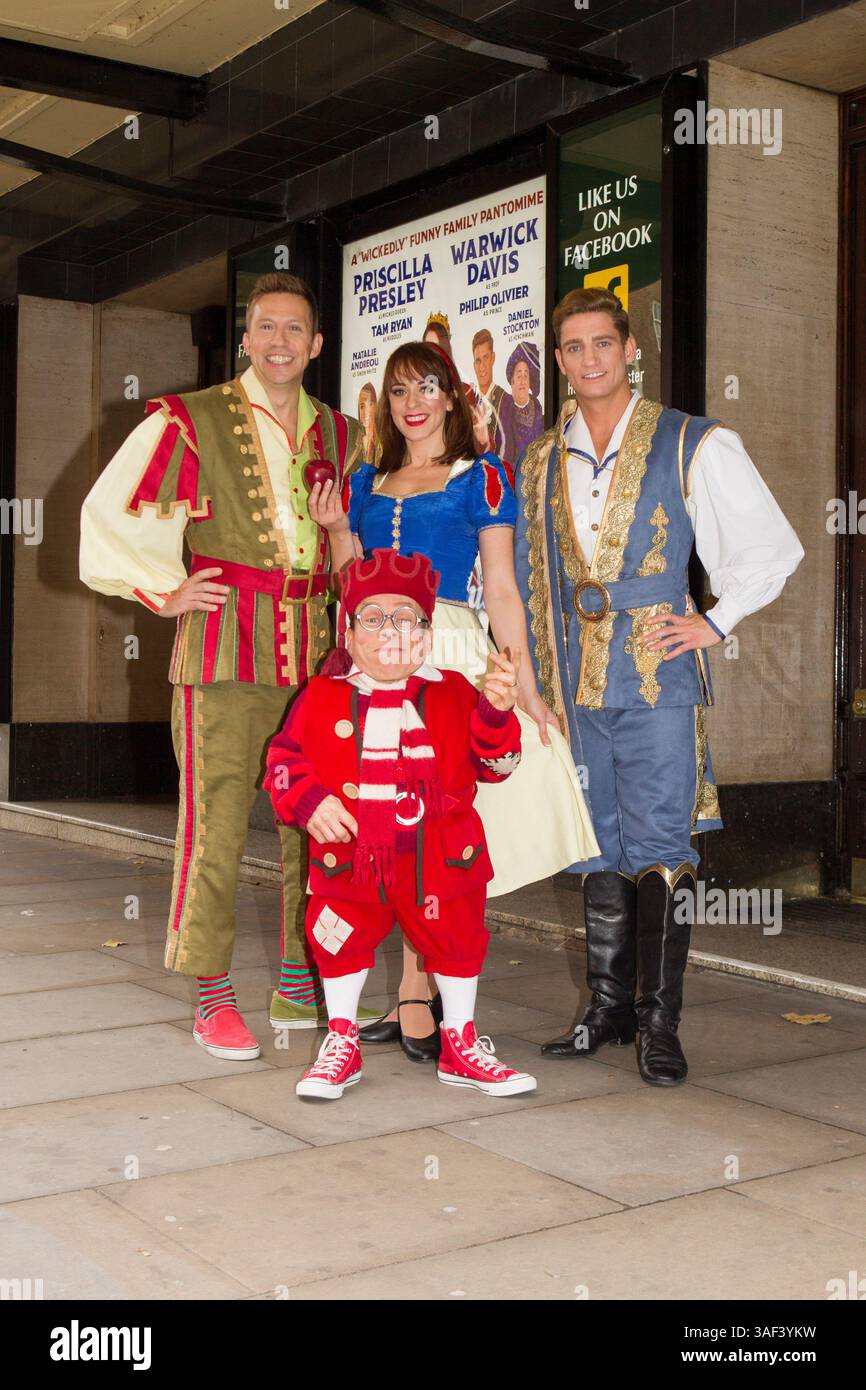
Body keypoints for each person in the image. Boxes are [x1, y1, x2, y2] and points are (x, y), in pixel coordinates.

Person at [79, 271, 380, 1062]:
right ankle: (211, 990)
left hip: (318, 655)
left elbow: (355, 545)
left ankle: (295, 972)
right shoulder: (189, 419)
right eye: (265, 328)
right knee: (213, 824)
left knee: (312, 825)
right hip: (221, 648)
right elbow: (107, 513)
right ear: (246, 338)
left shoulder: (344, 433)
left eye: (295, 330)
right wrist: (163, 591)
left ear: (316, 345)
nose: (279, 342)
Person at [514, 287, 804, 1085]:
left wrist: (716, 621)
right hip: (574, 683)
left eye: (602, 343)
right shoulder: (538, 457)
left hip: (657, 675)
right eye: (572, 348)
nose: (588, 359)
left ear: (630, 348)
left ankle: (658, 1022)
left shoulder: (690, 442)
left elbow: (771, 548)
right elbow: (524, 576)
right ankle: (606, 1008)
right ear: (561, 360)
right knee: (596, 844)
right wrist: (531, 682)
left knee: (663, 850)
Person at [306, 340, 599, 1058]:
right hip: (377, 658)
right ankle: (417, 992)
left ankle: (416, 989)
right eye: (399, 391)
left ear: (452, 397)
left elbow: (501, 588)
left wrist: (526, 690)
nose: (412, 404)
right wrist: (340, 532)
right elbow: (354, 589)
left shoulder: (482, 477)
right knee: (386, 822)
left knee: (436, 825)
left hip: (451, 655)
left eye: (426, 388)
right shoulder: (364, 482)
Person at [264, 547, 537, 1100]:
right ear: (351, 632)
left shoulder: (457, 692)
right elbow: (281, 762)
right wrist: (312, 802)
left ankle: (461, 1042)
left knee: (457, 939)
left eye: (405, 617)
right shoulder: (322, 696)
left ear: (427, 632)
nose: (390, 630)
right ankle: (341, 1040)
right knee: (338, 938)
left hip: (441, 858)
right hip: (353, 856)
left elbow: (496, 767)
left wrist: (497, 714)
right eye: (374, 617)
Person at [498, 340, 544, 468]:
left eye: (526, 375)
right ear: (511, 380)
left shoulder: (540, 414)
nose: (523, 381)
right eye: (519, 376)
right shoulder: (502, 415)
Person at [470, 328, 506, 457]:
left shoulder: (506, 401)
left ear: (493, 358)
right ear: (474, 365)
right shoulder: (470, 408)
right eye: (478, 360)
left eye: (486, 358)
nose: (482, 366)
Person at [357, 381, 377, 463]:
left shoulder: (384, 441)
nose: (366, 411)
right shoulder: (355, 440)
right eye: (362, 406)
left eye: (370, 404)